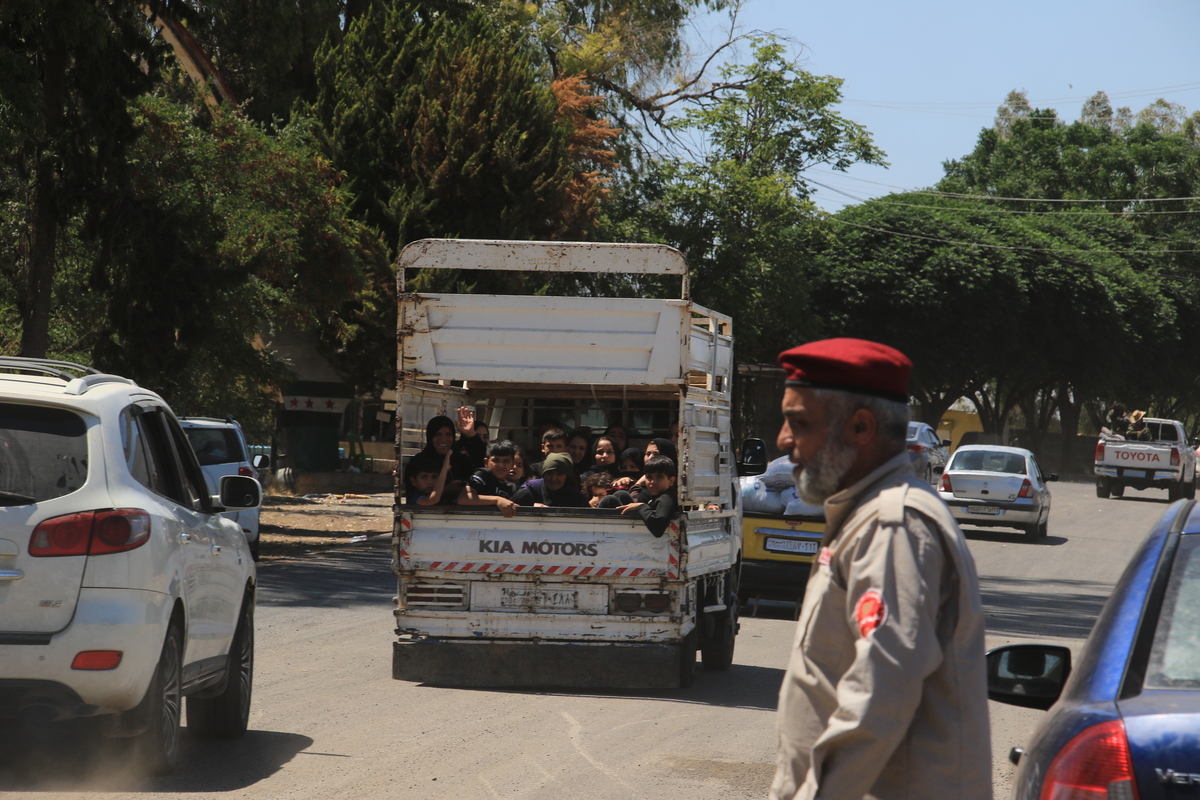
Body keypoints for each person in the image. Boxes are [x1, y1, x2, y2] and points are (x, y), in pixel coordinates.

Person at [770, 338, 991, 800]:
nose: (783, 441)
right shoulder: (867, 515)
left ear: (861, 426)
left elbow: (879, 694)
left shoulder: (894, 525)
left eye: (799, 423)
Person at [413, 408, 485, 502]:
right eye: (438, 434)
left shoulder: (459, 460)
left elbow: (483, 463)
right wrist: (446, 490)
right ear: (430, 436)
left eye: (448, 434)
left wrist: (470, 435)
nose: (444, 439)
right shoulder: (420, 461)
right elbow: (417, 493)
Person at [612, 455, 678, 537]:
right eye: (649, 477)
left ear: (671, 481)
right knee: (620, 494)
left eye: (659, 477)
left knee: (610, 500)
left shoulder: (666, 498)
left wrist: (641, 507)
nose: (653, 482)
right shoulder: (653, 496)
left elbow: (658, 529)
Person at [457, 440, 518, 517]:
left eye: (506, 461)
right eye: (496, 460)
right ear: (486, 462)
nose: (501, 465)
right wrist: (497, 500)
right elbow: (463, 499)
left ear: (512, 464)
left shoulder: (511, 487)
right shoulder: (483, 474)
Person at [511, 452, 587, 507]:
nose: (553, 478)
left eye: (559, 474)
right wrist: (532, 505)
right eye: (549, 473)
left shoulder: (576, 498)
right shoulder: (532, 488)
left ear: (567, 476)